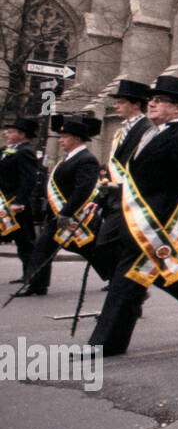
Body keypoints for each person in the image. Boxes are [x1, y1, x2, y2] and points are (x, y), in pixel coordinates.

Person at [88, 77, 178, 355]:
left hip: (157, 224)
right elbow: (138, 180)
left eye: (159, 100)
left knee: (125, 281)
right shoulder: (150, 133)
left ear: (177, 107)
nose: (151, 103)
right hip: (138, 219)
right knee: (140, 279)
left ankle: (104, 344)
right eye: (151, 99)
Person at [18, 113, 102, 297]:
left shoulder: (86, 159)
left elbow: (83, 190)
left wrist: (66, 212)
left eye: (64, 137)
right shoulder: (66, 158)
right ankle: (37, 285)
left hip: (73, 215)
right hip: (58, 214)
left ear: (77, 138)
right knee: (42, 247)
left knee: (92, 250)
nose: (61, 140)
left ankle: (117, 278)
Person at [1, 116, 42, 285]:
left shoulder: (25, 152)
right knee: (22, 240)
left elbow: (28, 179)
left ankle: (31, 276)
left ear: (22, 134)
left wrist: (20, 201)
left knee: (25, 241)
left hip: (15, 204)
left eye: (10, 131)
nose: (6, 134)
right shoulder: (8, 150)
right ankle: (29, 275)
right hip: (4, 201)